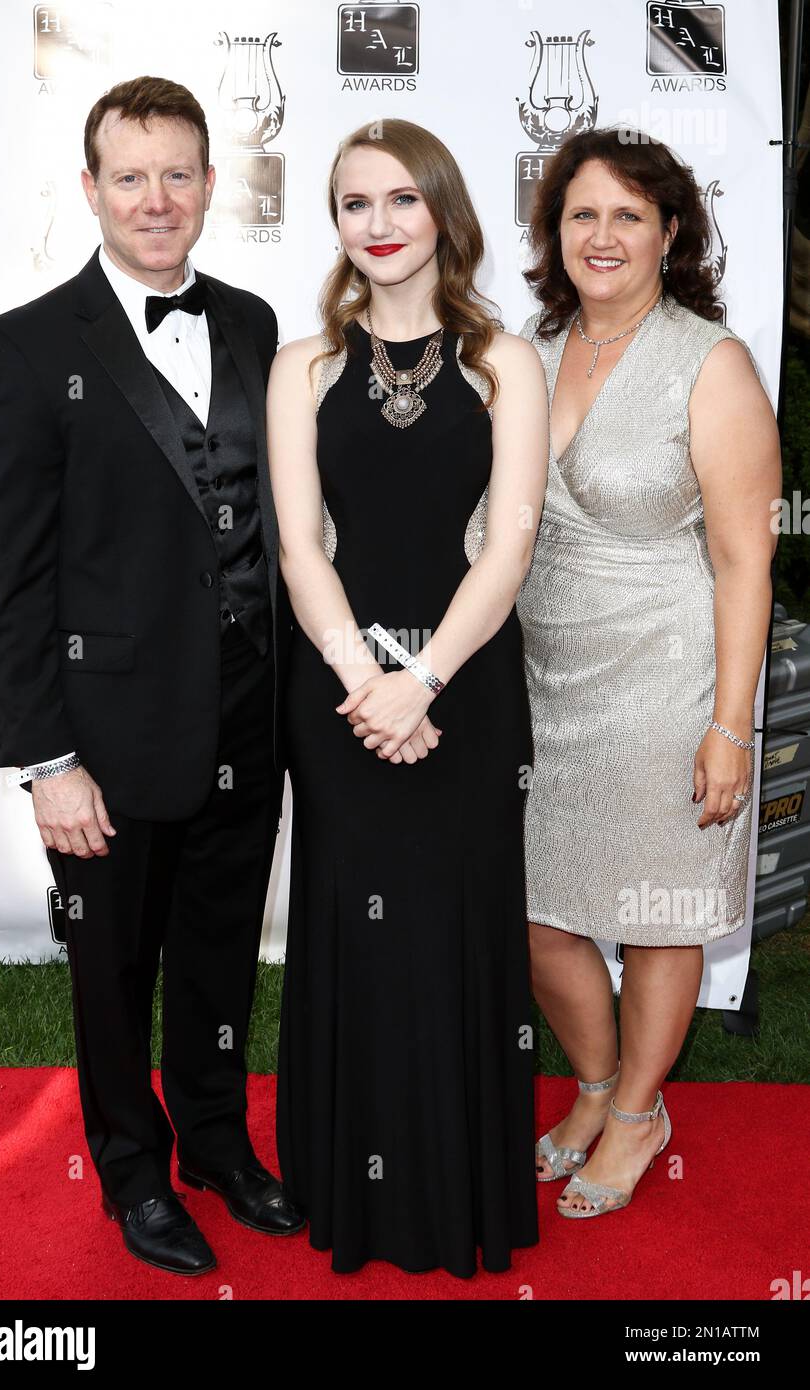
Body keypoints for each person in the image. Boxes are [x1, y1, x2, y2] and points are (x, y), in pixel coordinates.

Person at [0, 75, 303, 1275]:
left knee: (219, 950)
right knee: (112, 971)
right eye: (130, 176)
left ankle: (214, 1138)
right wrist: (47, 759)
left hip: (247, 718)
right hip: (102, 735)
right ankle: (129, 1170)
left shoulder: (257, 324)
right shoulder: (19, 349)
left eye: (177, 174)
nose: (155, 199)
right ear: (91, 189)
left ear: (212, 186)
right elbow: (6, 576)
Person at [267, 118, 549, 1276]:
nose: (376, 224)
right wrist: (365, 683)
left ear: (441, 211)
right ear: (332, 223)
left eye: (398, 200)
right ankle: (354, 1192)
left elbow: (514, 541)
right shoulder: (302, 367)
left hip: (468, 688)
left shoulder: (503, 363)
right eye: (351, 203)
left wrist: (422, 677)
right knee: (356, 932)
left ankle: (455, 1192)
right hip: (338, 697)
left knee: (453, 929)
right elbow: (299, 549)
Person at [515, 127, 781, 1218]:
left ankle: (634, 1112)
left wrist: (726, 725)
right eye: (582, 214)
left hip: (668, 672)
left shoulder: (707, 362)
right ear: (554, 234)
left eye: (629, 214)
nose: (602, 234)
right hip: (540, 677)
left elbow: (741, 556)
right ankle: (594, 1082)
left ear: (670, 234)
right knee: (533, 914)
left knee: (660, 907)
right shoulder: (524, 357)